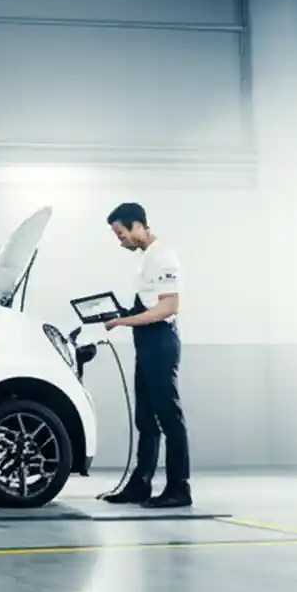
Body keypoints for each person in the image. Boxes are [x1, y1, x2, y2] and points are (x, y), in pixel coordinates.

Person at [97, 202, 192, 508]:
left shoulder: (162, 256)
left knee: (168, 416)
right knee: (145, 419)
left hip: (160, 342)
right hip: (147, 343)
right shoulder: (147, 258)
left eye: (120, 233)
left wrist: (123, 321)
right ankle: (140, 485)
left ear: (137, 225)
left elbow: (168, 307)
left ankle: (179, 488)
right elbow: (149, 303)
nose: (120, 240)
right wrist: (121, 313)